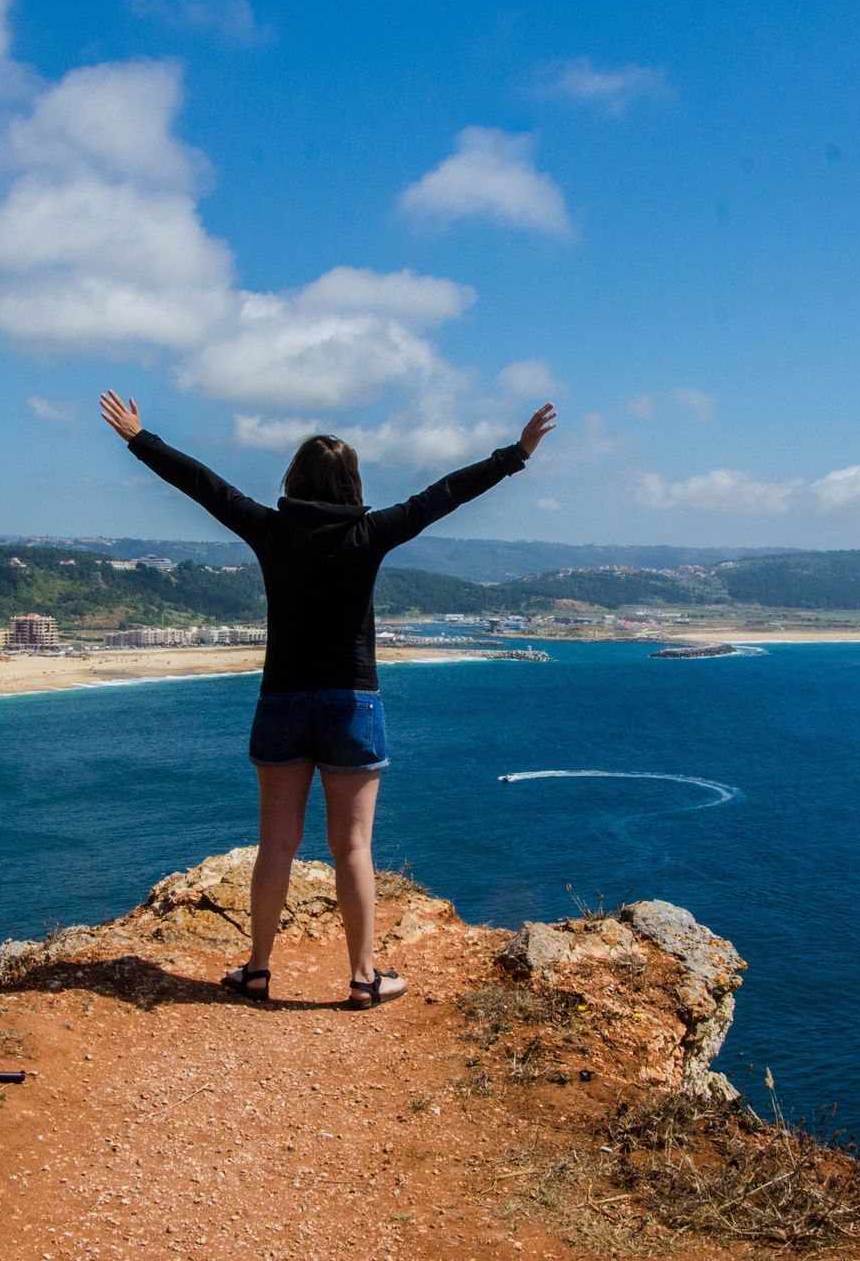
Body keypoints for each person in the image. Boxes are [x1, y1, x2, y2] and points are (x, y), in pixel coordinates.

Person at [98, 390, 556, 1009]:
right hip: (352, 704)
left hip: (282, 700)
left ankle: (257, 971)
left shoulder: (271, 529)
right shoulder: (369, 532)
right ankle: (364, 978)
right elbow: (445, 495)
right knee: (354, 847)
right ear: (352, 483)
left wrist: (139, 438)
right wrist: (517, 454)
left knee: (276, 846)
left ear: (294, 477)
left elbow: (204, 486)